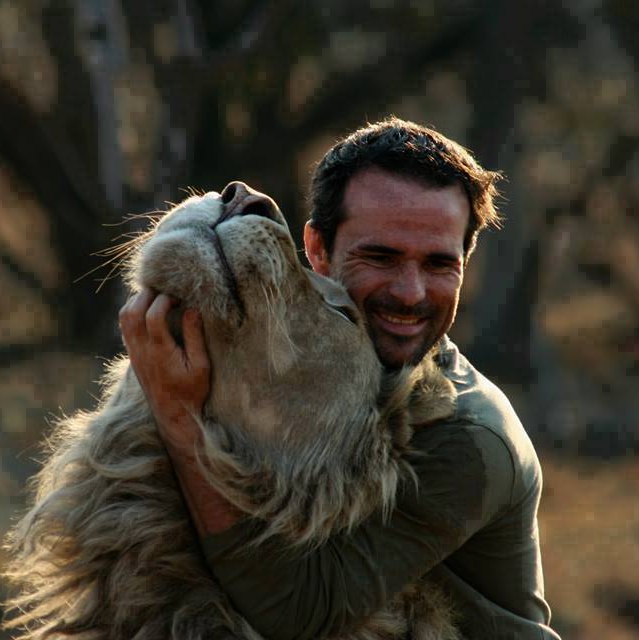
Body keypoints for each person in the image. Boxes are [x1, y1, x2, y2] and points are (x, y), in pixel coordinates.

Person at [119, 117, 560, 639]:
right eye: (381, 256)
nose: (412, 293)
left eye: (439, 264)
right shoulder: (309, 338)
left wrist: (179, 420)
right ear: (317, 250)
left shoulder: (472, 435)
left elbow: (298, 614)